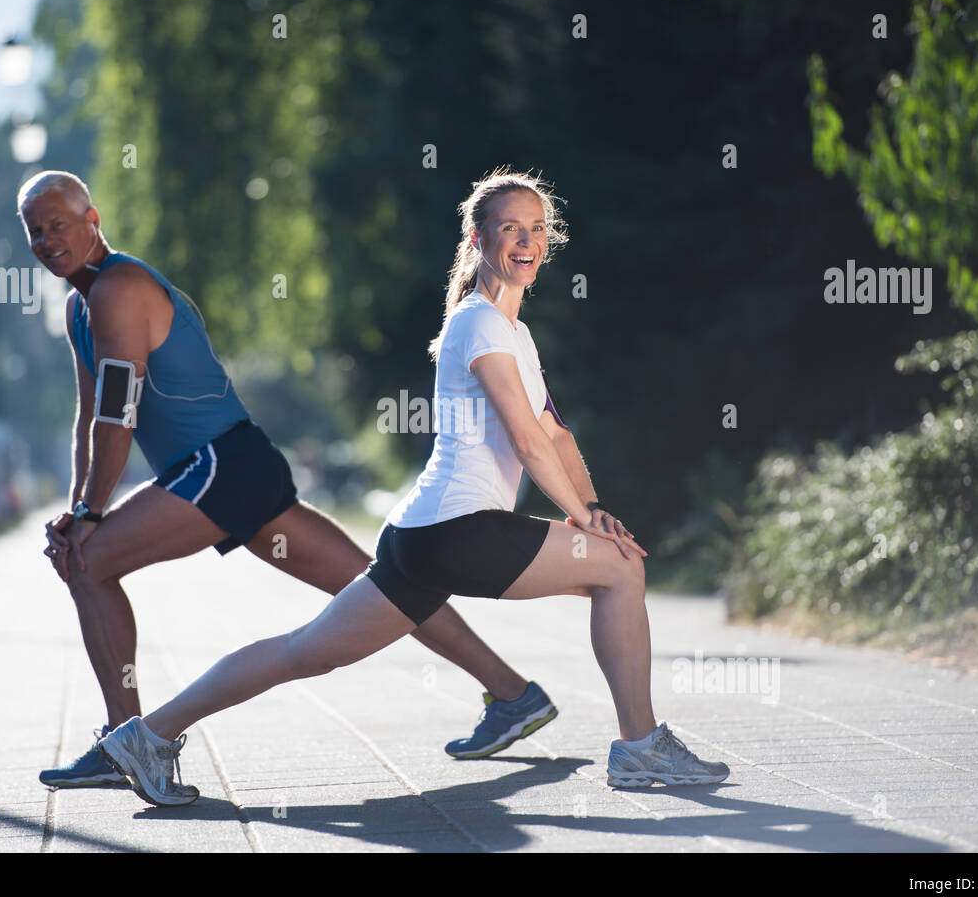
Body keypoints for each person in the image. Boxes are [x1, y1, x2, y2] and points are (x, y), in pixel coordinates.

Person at [96, 168, 730, 807]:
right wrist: (585, 523)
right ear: (478, 238)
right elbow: (526, 442)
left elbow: (558, 438)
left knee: (305, 650)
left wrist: (589, 507)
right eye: (510, 228)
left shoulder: (513, 331)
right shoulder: (479, 325)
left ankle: (147, 734)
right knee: (620, 570)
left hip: (421, 536)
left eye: (537, 229)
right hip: (460, 527)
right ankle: (640, 745)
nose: (526, 241)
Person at [18, 170, 560, 791]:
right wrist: (75, 508)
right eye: (35, 230)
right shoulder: (79, 306)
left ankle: (128, 743)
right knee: (385, 586)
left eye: (58, 223)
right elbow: (89, 417)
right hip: (239, 467)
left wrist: (87, 519)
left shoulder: (119, 289)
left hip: (219, 465)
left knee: (89, 563)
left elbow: (118, 417)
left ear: (92, 221)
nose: (46, 239)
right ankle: (514, 693)